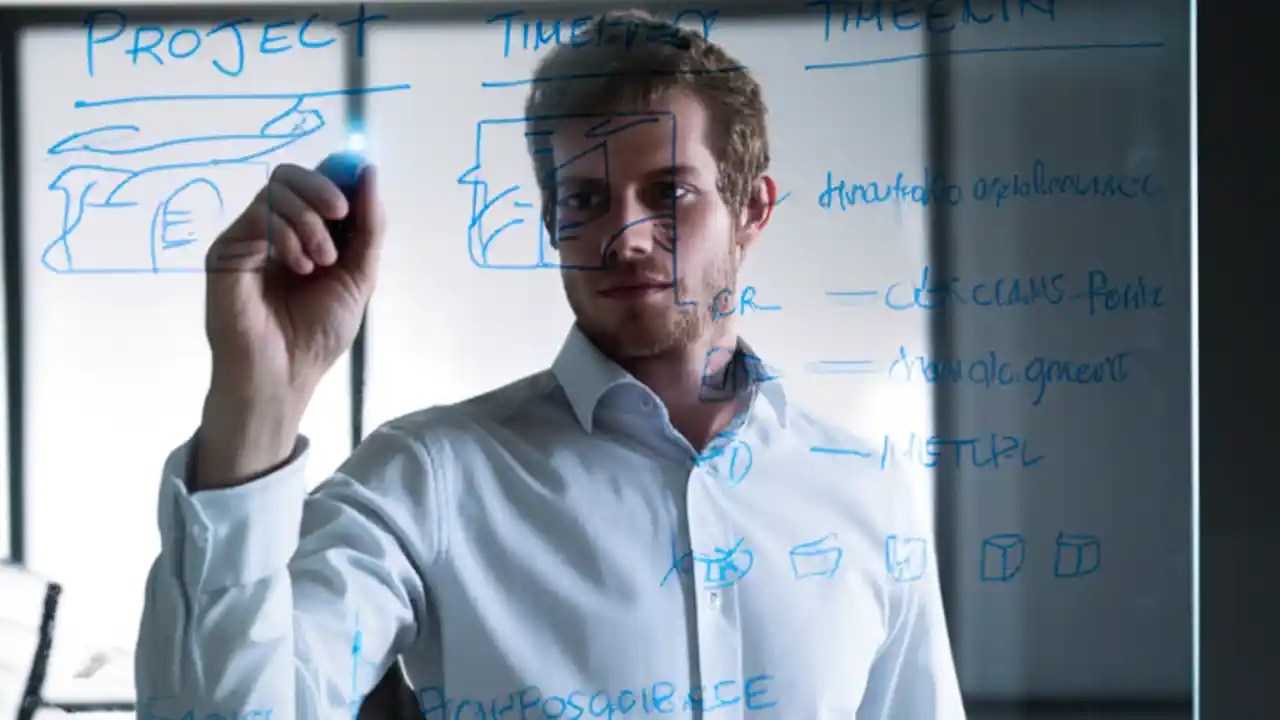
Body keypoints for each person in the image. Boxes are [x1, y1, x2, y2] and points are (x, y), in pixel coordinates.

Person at [135, 8, 965, 719]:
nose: (626, 235)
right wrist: (257, 398)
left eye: (669, 193)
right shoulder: (431, 480)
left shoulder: (865, 493)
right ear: (550, 221)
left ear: (751, 209)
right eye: (587, 200)